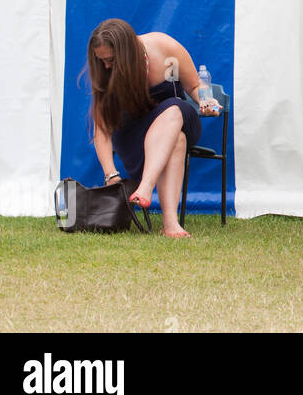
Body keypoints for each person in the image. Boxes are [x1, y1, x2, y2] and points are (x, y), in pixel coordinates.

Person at [85, 18, 219, 238]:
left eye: (110, 60)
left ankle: (146, 187)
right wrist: (111, 175)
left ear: (127, 52)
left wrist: (206, 101)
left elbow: (195, 85)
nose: (106, 66)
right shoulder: (105, 72)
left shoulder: (165, 48)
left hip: (180, 118)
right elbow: (102, 130)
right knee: (178, 140)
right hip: (136, 138)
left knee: (175, 108)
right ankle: (170, 224)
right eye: (101, 61)